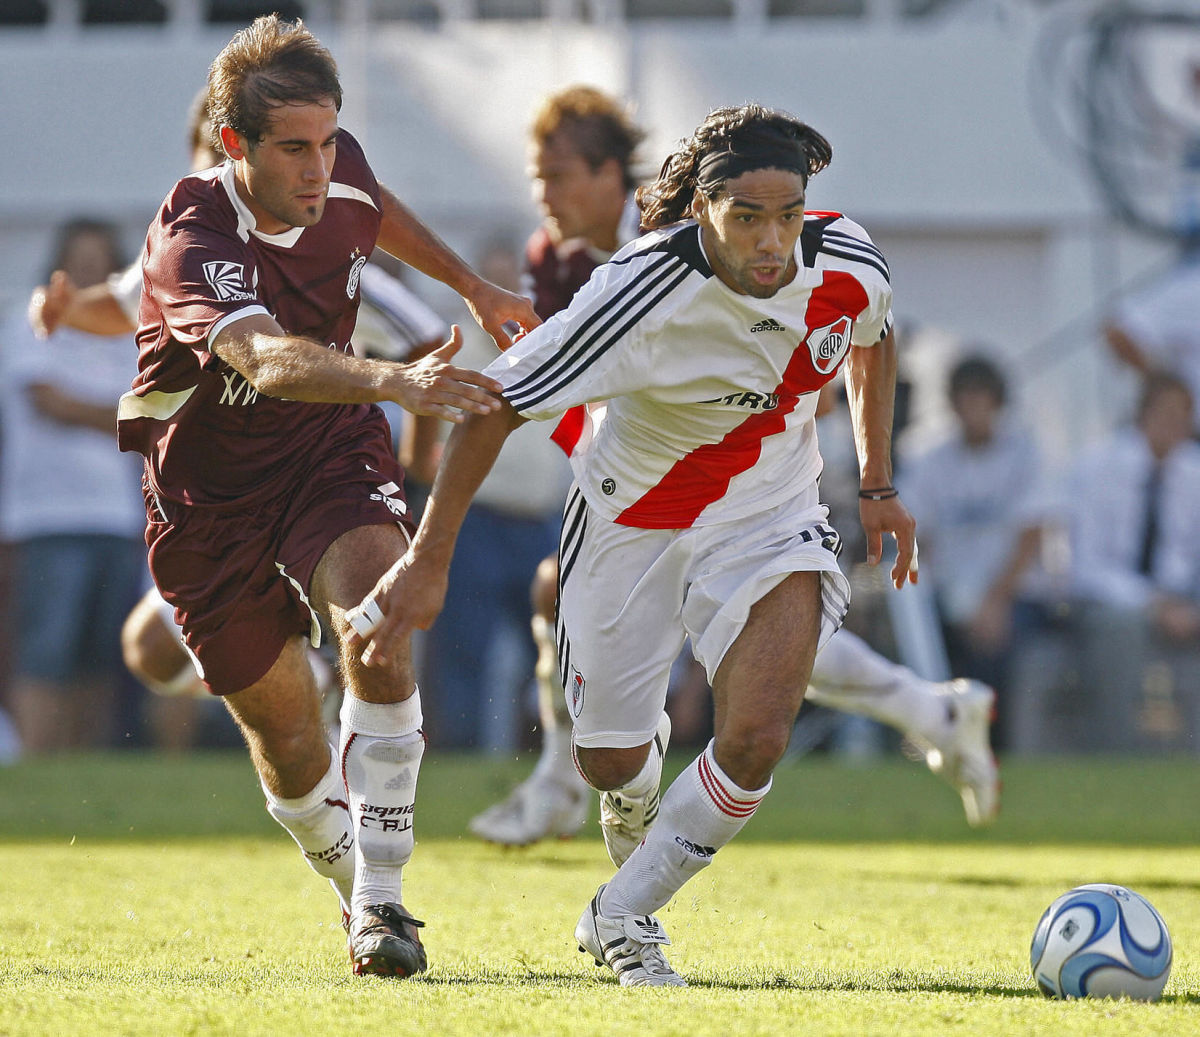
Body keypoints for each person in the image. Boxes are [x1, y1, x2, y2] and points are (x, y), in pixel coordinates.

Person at [349, 103, 917, 986]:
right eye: (747, 217)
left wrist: (877, 483)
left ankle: (625, 912)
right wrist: (429, 560)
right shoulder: (638, 290)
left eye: (790, 215)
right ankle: (633, 780)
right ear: (702, 212)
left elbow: (872, 340)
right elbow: (496, 406)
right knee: (609, 757)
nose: (774, 241)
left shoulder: (846, 260)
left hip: (771, 512)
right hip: (630, 522)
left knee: (760, 731)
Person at [114, 16, 536, 978]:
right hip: (206, 500)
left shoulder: (338, 172)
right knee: (290, 730)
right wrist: (394, 379)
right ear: (236, 147)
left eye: (329, 141)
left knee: (380, 625)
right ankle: (354, 886)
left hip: (325, 452)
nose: (319, 169)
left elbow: (371, 204)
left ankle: (384, 901)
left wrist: (471, 283)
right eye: (294, 149)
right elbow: (261, 359)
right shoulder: (192, 236)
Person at [467, 86, 997, 848]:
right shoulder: (554, 262)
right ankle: (930, 709)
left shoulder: (710, 231)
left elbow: (822, 344)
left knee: (756, 649)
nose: (541, 194)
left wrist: (832, 445)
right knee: (600, 606)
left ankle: (568, 781)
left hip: (742, 478)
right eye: (535, 175)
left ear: (611, 176)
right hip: (639, 478)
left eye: (558, 175)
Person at [0, 219, 147, 754]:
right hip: (47, 517)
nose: (88, 271)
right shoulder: (33, 320)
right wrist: (122, 417)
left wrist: (122, 416)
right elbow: (47, 400)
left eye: (99, 262)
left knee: (99, 655)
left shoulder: (128, 331)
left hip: (118, 516)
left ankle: (83, 764)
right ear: (59, 267)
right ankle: (37, 756)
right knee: (46, 648)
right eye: (79, 260)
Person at [897, 355, 1050, 747]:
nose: (972, 410)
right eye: (965, 400)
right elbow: (914, 534)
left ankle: (989, 743)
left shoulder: (1025, 455)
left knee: (994, 647)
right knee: (915, 633)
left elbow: (1031, 537)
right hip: (950, 594)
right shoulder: (930, 461)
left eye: (980, 399)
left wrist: (993, 602)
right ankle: (932, 737)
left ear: (997, 403)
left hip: (1013, 595)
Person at [1065, 372, 1200, 751]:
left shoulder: (1193, 471)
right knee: (1121, 628)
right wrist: (1155, 604)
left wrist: (1181, 604)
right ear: (1142, 414)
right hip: (1111, 603)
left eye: (1183, 415)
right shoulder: (1098, 468)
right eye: (1166, 413)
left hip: (1178, 601)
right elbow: (1086, 568)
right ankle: (1117, 751)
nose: (1175, 424)